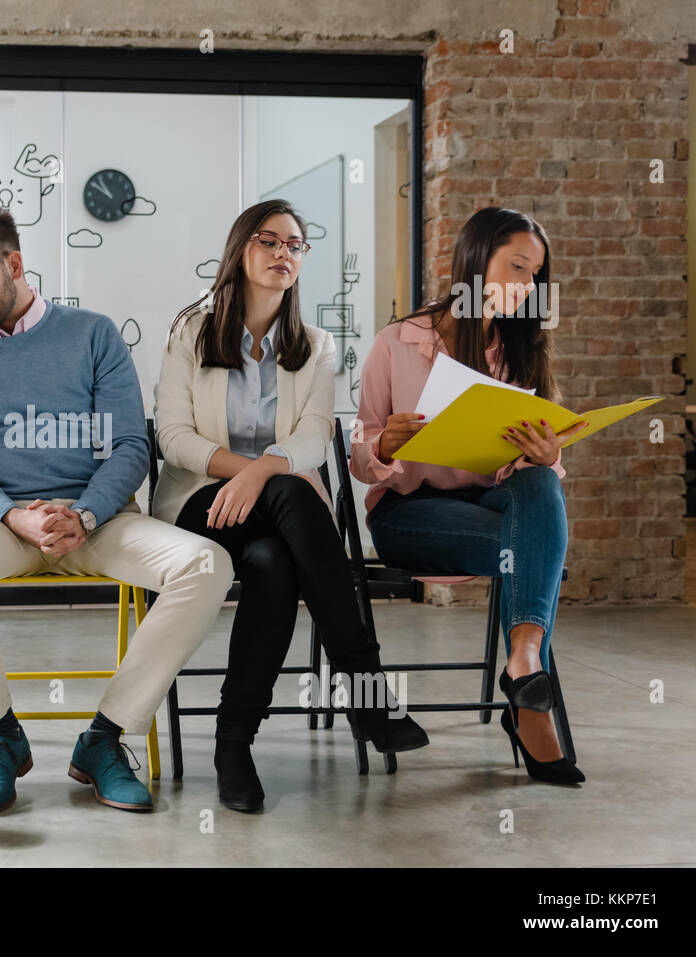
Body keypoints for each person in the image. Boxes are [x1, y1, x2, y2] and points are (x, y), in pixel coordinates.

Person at [0, 203, 235, 815]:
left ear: (14, 263)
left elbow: (130, 447)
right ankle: (3, 737)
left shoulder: (93, 333)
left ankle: (105, 738)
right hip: (2, 524)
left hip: (98, 522)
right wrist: (15, 516)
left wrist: (83, 514)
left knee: (206, 564)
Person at [152, 199, 429, 812]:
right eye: (269, 241)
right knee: (287, 490)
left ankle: (233, 746)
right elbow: (173, 437)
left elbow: (312, 435)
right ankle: (365, 688)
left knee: (275, 565)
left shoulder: (316, 344)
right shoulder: (190, 331)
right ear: (239, 250)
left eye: (295, 245)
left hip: (280, 516)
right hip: (201, 508)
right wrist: (253, 475)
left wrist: (266, 474)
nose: (283, 254)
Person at [351, 205, 586, 786]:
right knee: (535, 548)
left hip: (493, 502)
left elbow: (543, 474)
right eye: (517, 267)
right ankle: (529, 692)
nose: (528, 285)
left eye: (536, 274)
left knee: (537, 484)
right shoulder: (396, 343)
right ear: (478, 260)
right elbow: (359, 459)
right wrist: (386, 445)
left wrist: (548, 456)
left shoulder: (523, 347)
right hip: (410, 513)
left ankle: (523, 660)